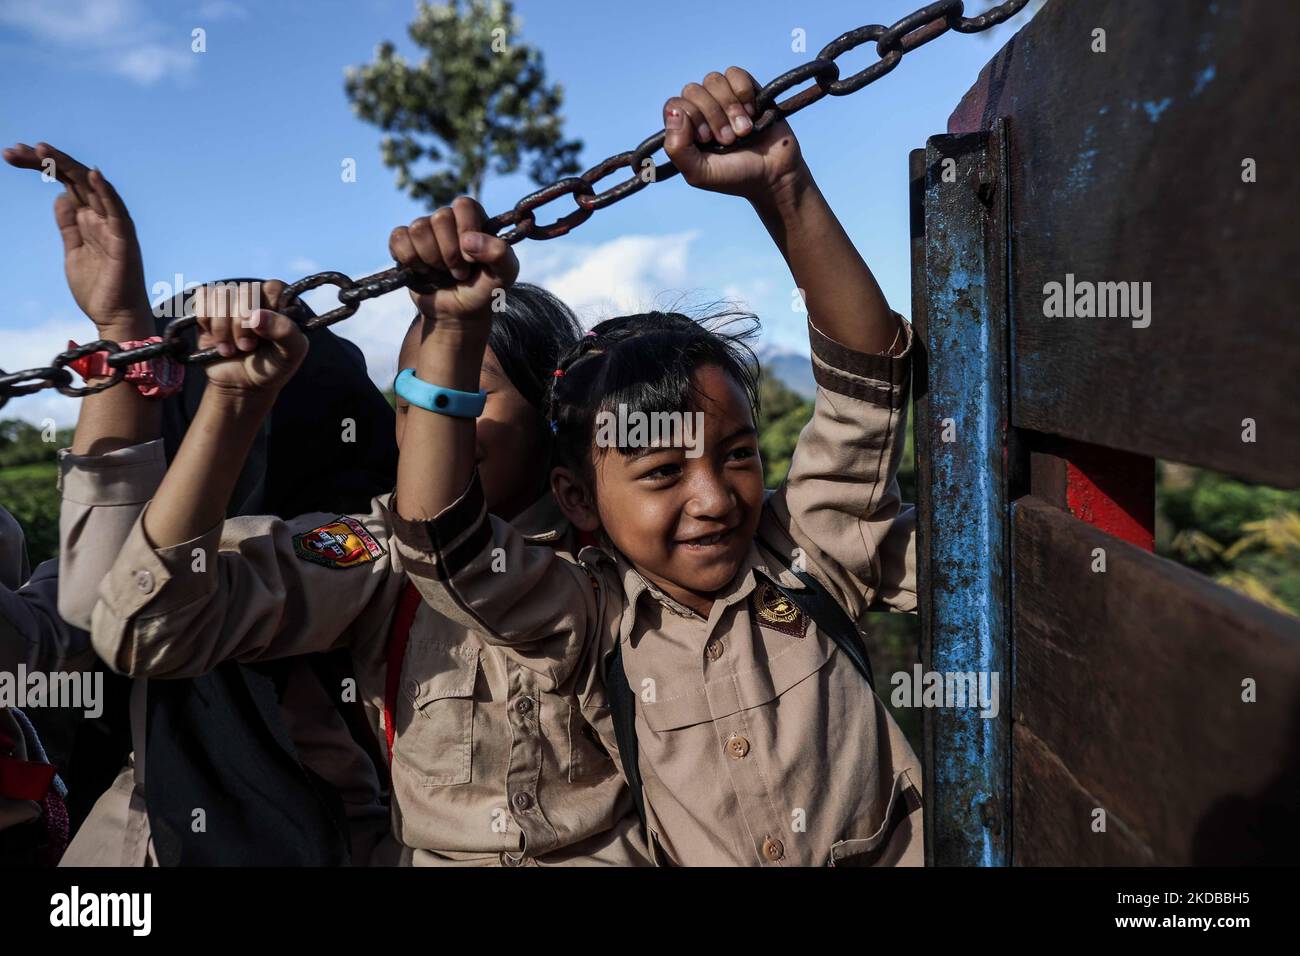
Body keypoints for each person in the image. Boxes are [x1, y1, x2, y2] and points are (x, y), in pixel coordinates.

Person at [380, 66, 923, 866]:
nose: (715, 499)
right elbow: (442, 543)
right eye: (663, 473)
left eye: (736, 456)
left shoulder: (806, 554)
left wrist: (784, 184)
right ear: (578, 498)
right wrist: (455, 330)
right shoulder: (590, 620)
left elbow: (865, 383)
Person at [65, 193, 648, 862]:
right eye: (413, 394)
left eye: (462, 392)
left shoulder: (628, 546)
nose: (430, 421)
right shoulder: (372, 548)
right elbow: (145, 632)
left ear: (552, 413)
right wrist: (232, 403)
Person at [5, 141, 393, 865]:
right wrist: (121, 333)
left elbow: (138, 606)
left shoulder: (364, 554)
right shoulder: (114, 578)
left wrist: (220, 391)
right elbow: (96, 603)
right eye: (173, 388)